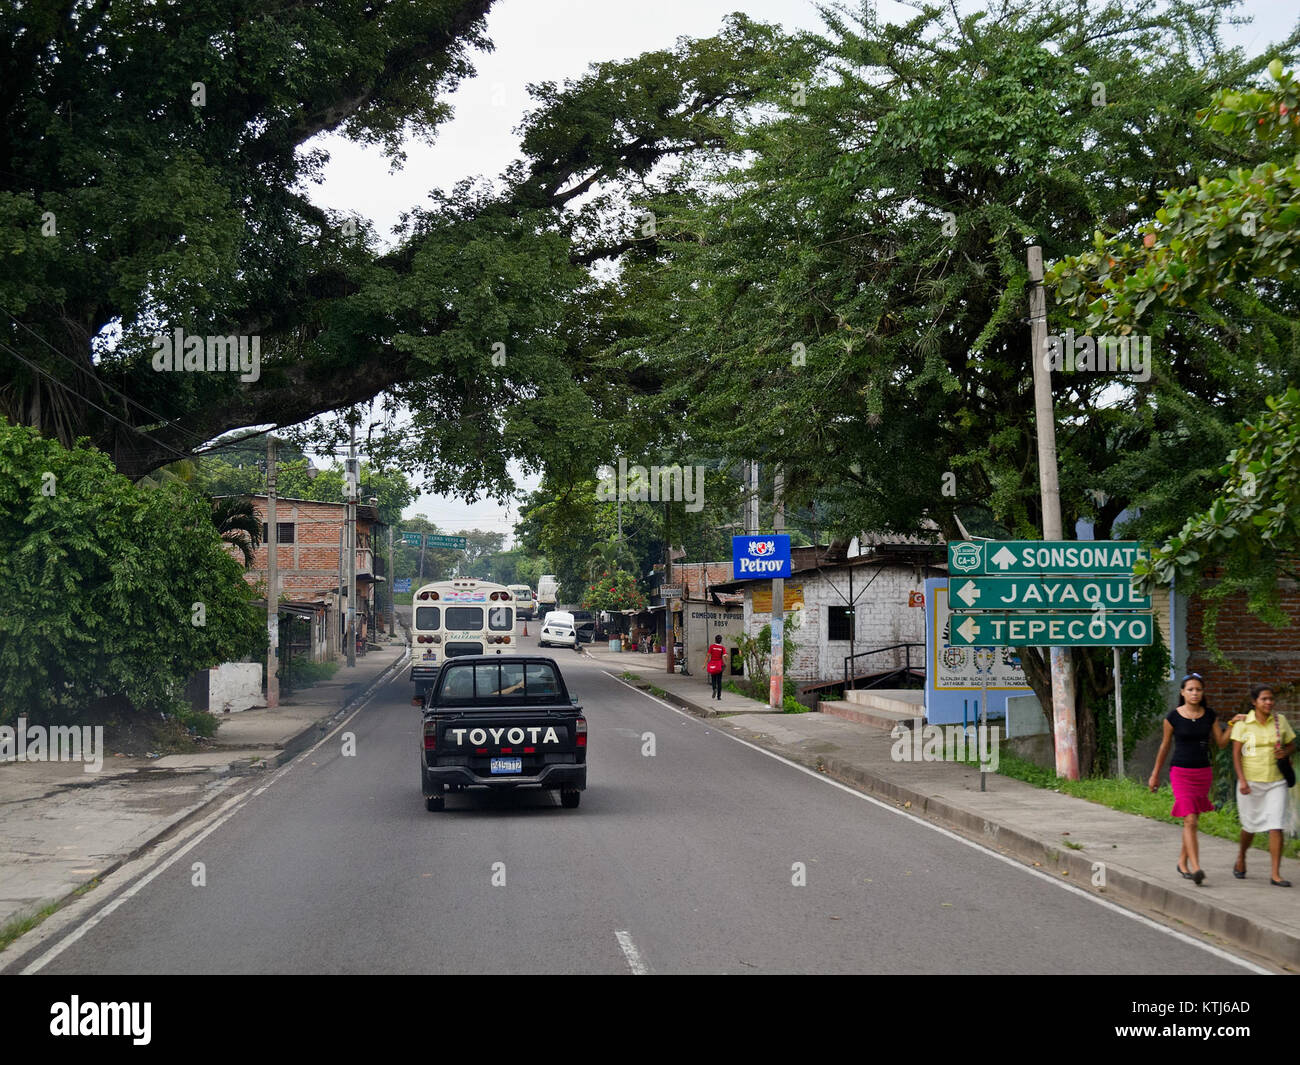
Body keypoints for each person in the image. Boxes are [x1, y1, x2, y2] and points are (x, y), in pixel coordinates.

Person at [1148, 673, 1240, 884]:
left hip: (1202, 772)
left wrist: (1233, 724)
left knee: (1192, 821)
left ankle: (1182, 862)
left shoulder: (1209, 715)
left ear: (1203, 692)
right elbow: (1164, 746)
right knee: (1189, 819)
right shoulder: (1173, 717)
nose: (1195, 693)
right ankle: (1196, 867)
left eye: (1198, 689)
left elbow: (1222, 742)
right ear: (1182, 692)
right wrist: (1154, 774)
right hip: (1180, 772)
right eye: (1190, 689)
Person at [1231, 684, 1297, 887]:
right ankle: (1241, 857)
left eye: (1271, 699)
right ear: (1254, 702)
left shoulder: (1280, 721)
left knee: (1275, 825)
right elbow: (1236, 754)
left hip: (1276, 781)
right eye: (1264, 699)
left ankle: (1275, 874)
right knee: (1249, 827)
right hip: (1250, 782)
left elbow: (1292, 744)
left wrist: (1285, 753)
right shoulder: (1243, 723)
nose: (1269, 702)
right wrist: (1241, 780)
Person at [706, 634, 727, 699]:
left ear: (715, 640)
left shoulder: (712, 647)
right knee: (719, 680)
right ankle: (719, 696)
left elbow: (708, 655)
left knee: (713, 679)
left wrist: (705, 664)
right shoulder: (722, 648)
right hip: (719, 665)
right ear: (721, 640)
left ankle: (714, 688)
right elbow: (725, 656)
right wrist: (726, 659)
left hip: (713, 665)